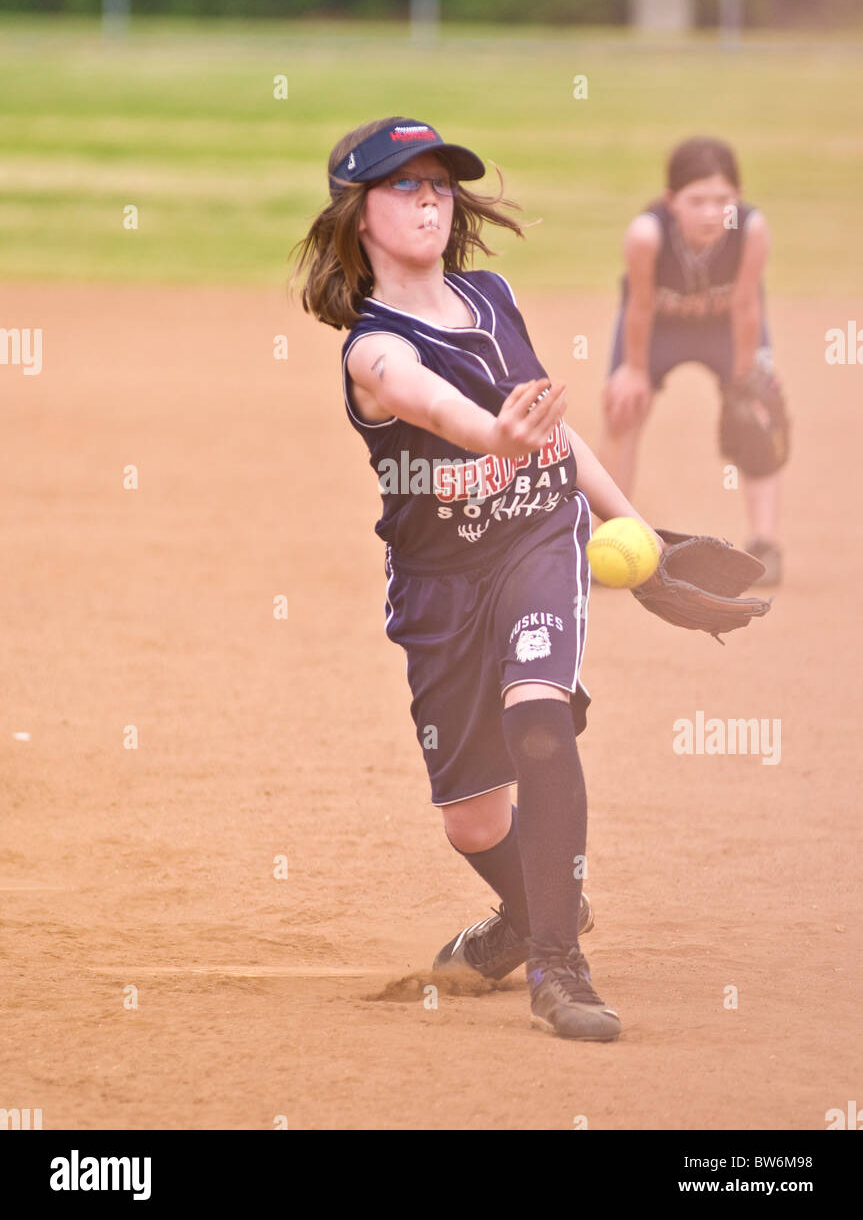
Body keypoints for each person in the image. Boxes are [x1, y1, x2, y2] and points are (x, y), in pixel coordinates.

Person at [290, 115, 667, 1042]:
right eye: (403, 185)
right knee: (470, 822)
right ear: (358, 215)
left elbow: (552, 432)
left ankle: (558, 967)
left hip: (534, 536)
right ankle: (539, 908)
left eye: (439, 184)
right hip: (437, 584)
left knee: (537, 717)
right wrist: (492, 433)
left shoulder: (492, 295)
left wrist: (628, 520)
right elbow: (432, 401)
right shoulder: (369, 348)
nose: (428, 199)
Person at [598, 136, 784, 585]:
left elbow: (745, 306)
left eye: (722, 200)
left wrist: (745, 385)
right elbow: (639, 307)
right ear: (672, 201)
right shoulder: (647, 234)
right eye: (696, 200)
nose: (710, 212)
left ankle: (764, 543)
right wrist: (635, 371)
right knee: (625, 408)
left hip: (726, 328)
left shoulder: (752, 230)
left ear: (737, 200)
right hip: (659, 329)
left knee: (756, 417)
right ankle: (611, 535)